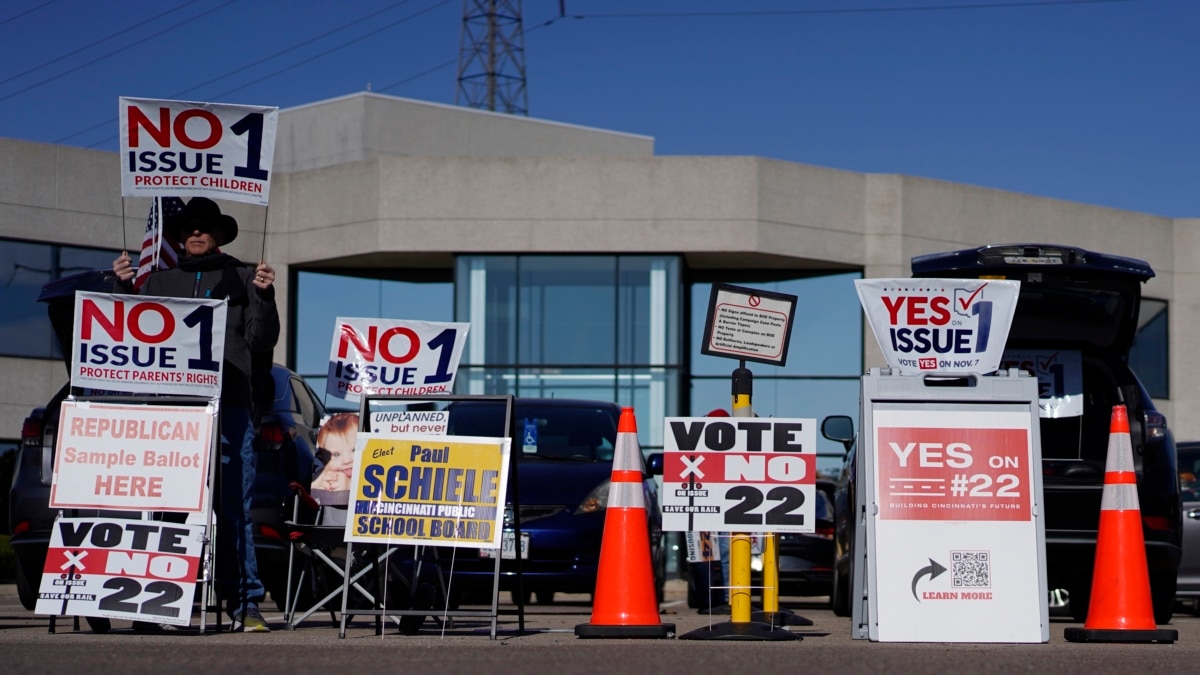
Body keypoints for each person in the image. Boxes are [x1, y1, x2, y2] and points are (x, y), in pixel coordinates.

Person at [112, 196, 279, 633]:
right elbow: (129, 341)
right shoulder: (156, 282)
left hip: (232, 406)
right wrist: (123, 289)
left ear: (220, 235)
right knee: (168, 508)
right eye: (188, 228)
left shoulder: (244, 276)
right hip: (172, 414)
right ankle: (165, 602)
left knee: (234, 508)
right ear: (179, 238)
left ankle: (246, 603)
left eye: (205, 227)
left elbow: (262, 341)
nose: (196, 234)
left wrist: (264, 295)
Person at [311, 412, 360, 495]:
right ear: (324, 460)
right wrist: (320, 486)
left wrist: (349, 485)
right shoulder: (325, 473)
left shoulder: (369, 471)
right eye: (336, 454)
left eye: (354, 450)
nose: (347, 460)